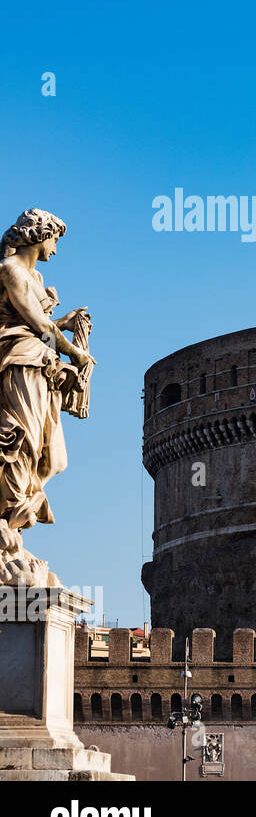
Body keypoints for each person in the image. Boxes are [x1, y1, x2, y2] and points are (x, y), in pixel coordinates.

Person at [0, 209, 93, 582]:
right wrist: (74, 351)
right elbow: (35, 323)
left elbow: (44, 323)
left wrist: (67, 324)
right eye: (54, 240)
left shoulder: (35, 276)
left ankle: (14, 525)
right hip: (19, 362)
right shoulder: (10, 270)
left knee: (53, 458)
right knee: (19, 444)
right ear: (39, 235)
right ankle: (8, 530)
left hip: (43, 369)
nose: (55, 249)